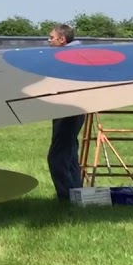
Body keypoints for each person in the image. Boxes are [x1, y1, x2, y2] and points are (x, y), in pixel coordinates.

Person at [46, 24, 85, 201]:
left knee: (57, 157)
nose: (49, 41)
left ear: (62, 40)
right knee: (70, 153)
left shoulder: (67, 57)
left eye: (51, 38)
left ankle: (66, 196)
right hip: (76, 109)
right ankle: (77, 192)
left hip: (66, 109)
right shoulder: (79, 54)